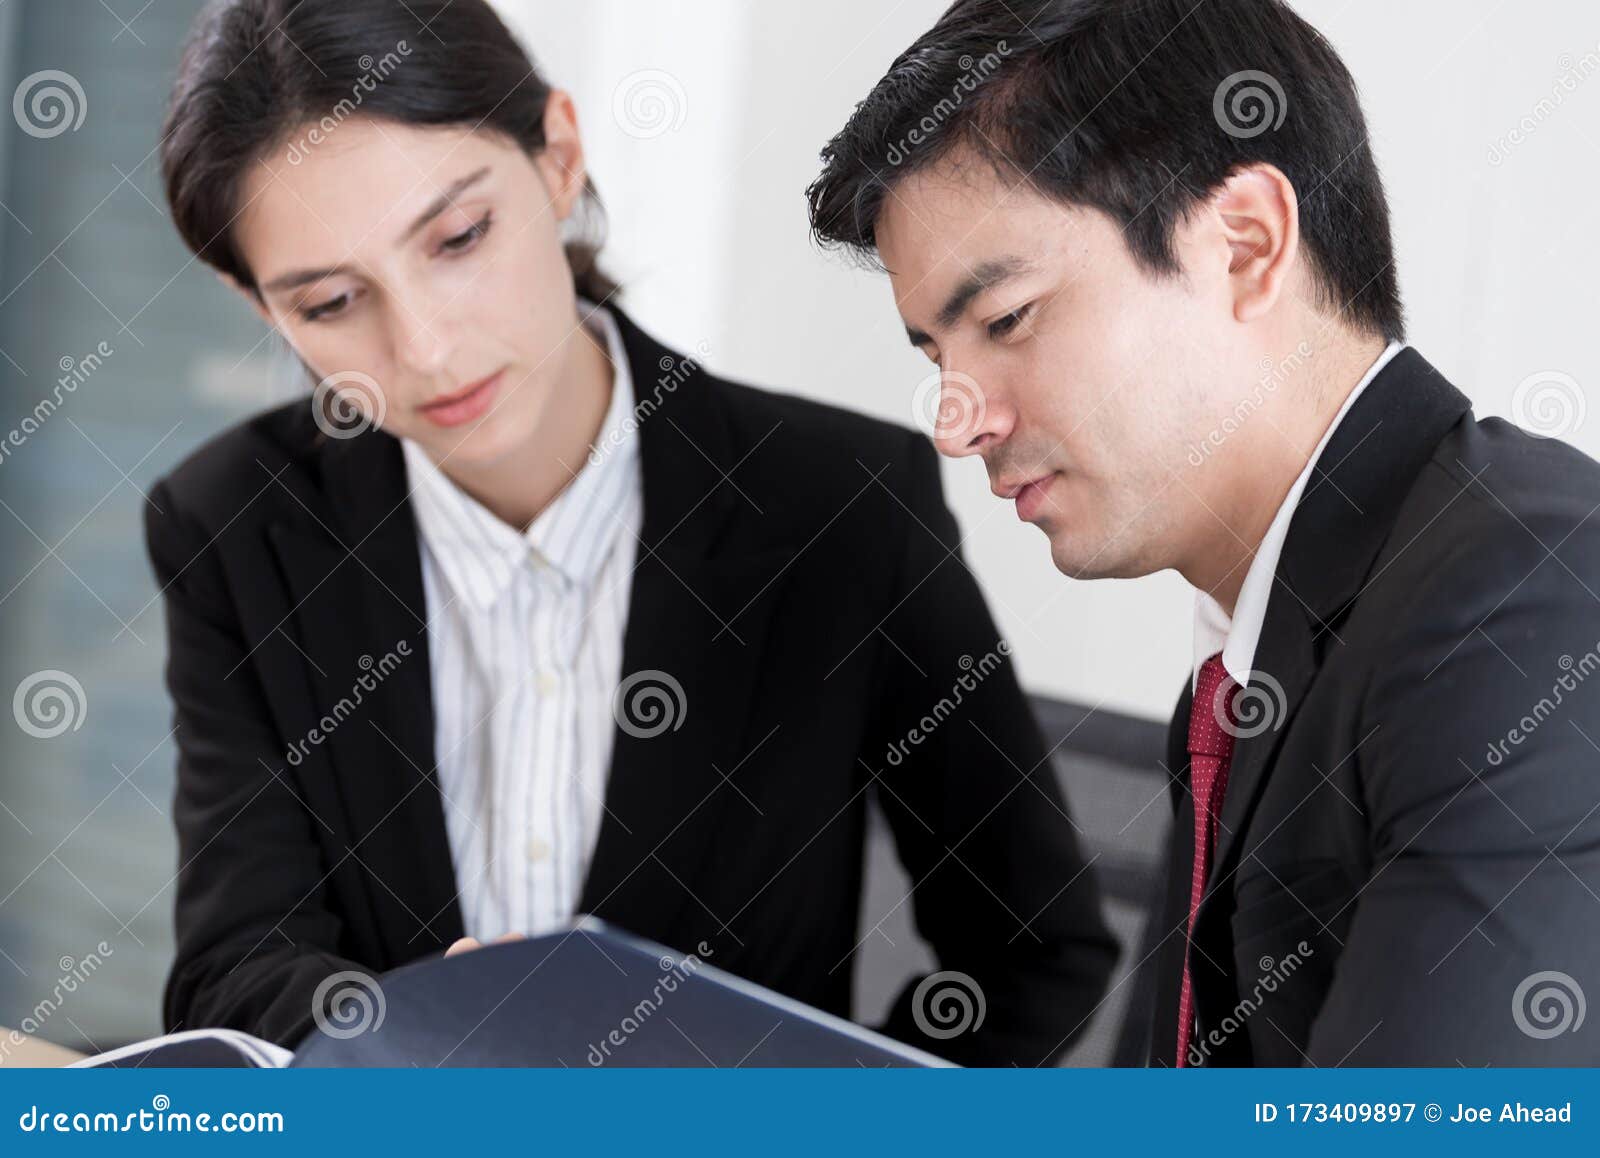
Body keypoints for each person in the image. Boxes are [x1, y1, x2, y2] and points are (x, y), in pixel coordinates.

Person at [145, 0, 1115, 1065]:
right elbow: (236, 960)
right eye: (330, 302)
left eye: (459, 239)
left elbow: (1033, 951)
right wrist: (403, 1045)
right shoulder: (232, 525)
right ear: (260, 306)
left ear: (558, 158)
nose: (424, 348)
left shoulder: (839, 505)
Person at [808, 0, 1600, 1065]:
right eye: (936, 356)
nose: (961, 421)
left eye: (1003, 322)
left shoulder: (1521, 595)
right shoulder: (1246, 672)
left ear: (1243, 245)